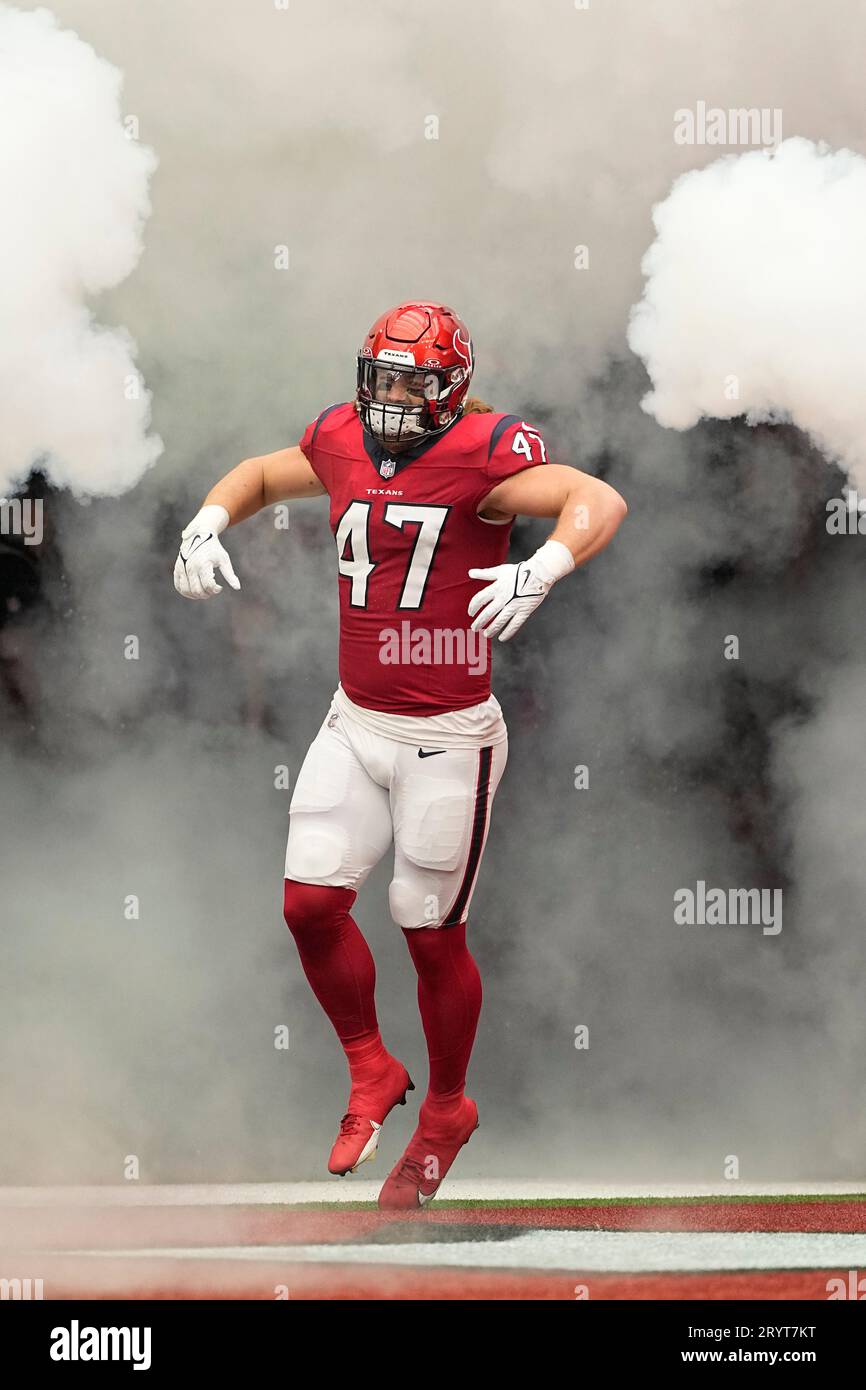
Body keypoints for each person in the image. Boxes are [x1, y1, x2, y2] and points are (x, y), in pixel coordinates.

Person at [174, 301, 627, 1207]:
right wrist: (206, 519)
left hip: (446, 736)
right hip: (356, 718)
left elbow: (597, 498)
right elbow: (265, 474)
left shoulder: (488, 452)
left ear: (452, 387)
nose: (387, 399)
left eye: (410, 383)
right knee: (309, 904)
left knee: (427, 931)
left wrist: (544, 568)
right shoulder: (342, 436)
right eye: (379, 378)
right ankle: (371, 1068)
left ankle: (448, 1109)